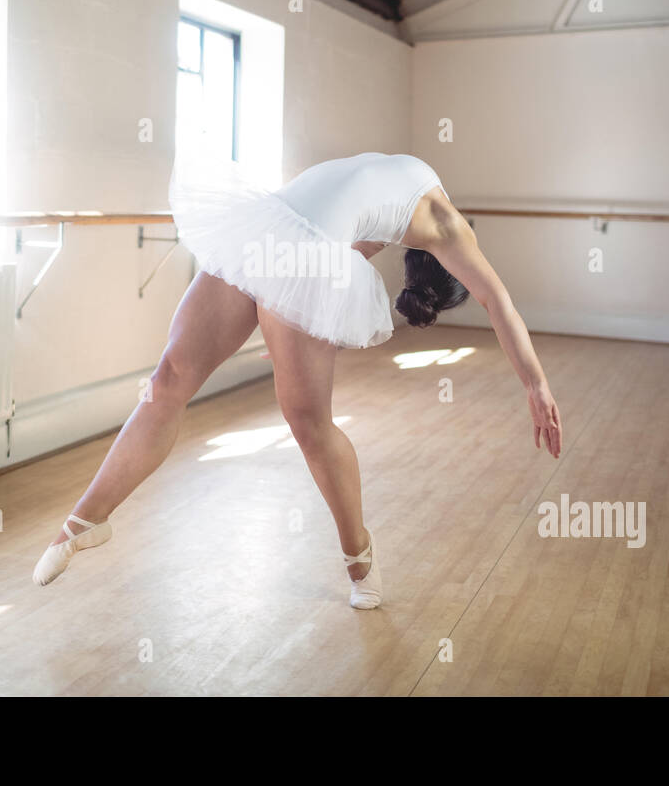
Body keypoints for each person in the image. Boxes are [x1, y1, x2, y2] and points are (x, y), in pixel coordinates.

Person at [32, 152, 563, 609]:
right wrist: (536, 384)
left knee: (306, 420)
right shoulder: (448, 226)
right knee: (169, 378)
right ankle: (84, 522)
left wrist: (297, 320)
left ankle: (361, 558)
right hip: (274, 226)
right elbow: (498, 300)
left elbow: (345, 225)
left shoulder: (420, 190)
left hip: (275, 230)